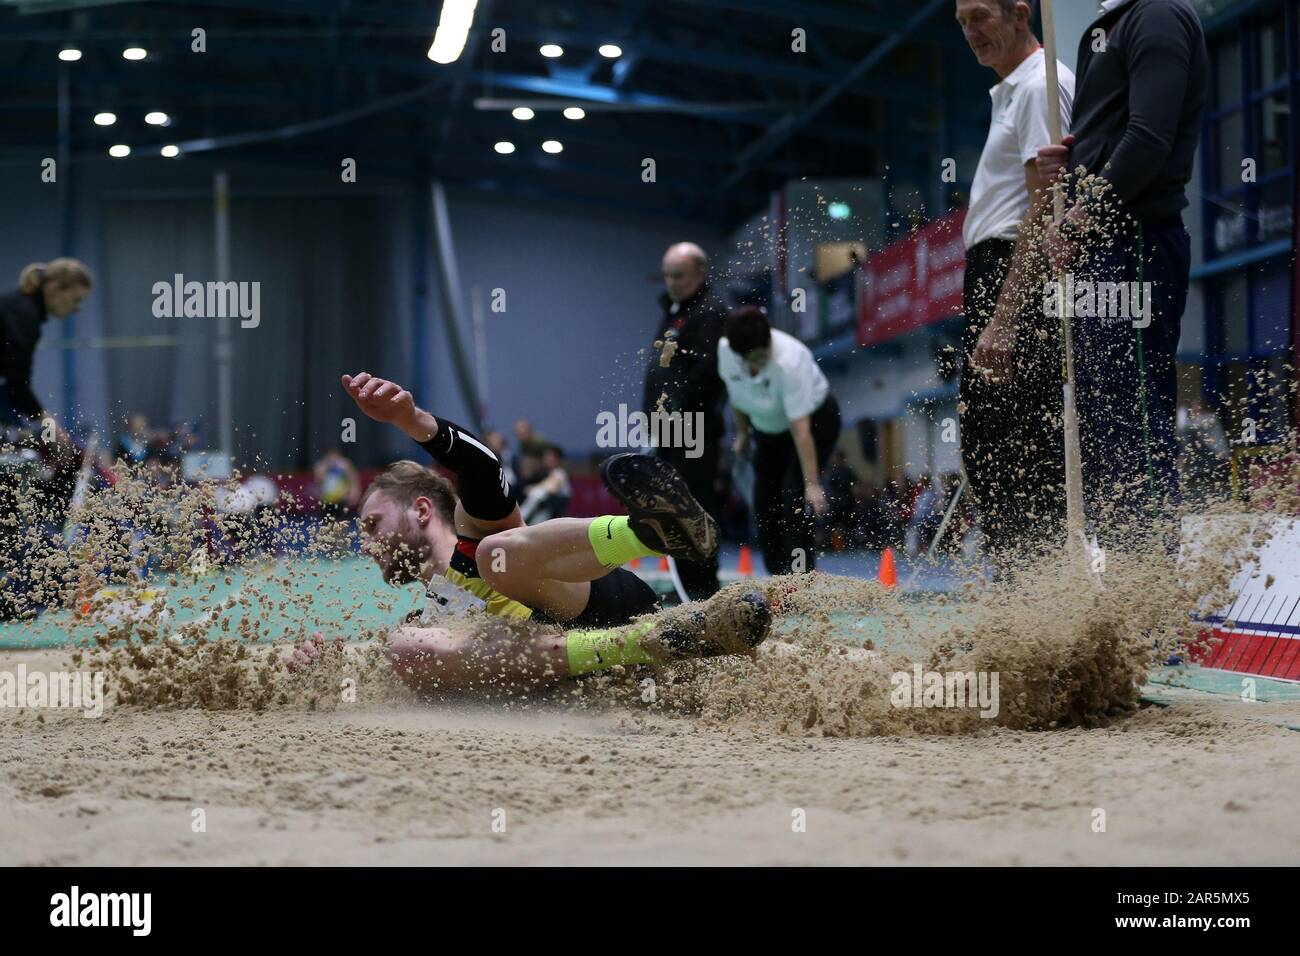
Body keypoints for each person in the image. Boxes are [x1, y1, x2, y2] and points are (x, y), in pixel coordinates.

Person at [304, 372, 771, 692]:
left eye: (372, 524)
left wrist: (413, 422)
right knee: (405, 646)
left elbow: (484, 465)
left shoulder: (472, 529)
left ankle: (649, 532)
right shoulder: (428, 620)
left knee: (496, 556)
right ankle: (670, 638)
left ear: (422, 510)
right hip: (604, 668)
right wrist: (327, 672)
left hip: (607, 605)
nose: (365, 543)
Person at [1036, 0, 1207, 541]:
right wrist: (1079, 155)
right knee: (1105, 419)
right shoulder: (1113, 24)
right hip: (1104, 243)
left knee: (1131, 415)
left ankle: (1149, 589)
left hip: (1131, 242)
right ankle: (1121, 585)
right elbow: (1120, 134)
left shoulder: (1155, 15)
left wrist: (1085, 212)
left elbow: (1150, 138)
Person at [955, 0, 1075, 559]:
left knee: (1018, 448)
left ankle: (1035, 601)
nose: (970, 31)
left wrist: (1003, 319)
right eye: (961, 21)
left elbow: (1043, 207)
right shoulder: (1012, 92)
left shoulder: (1037, 88)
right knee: (990, 447)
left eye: (980, 16)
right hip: (994, 273)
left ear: (1020, 14)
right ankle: (1018, 598)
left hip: (1013, 277)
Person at [0, 258, 92, 620]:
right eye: (76, 300)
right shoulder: (20, 313)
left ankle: (31, 571)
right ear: (55, 288)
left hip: (6, 401)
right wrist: (50, 425)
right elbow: (18, 386)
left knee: (56, 456)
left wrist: (47, 427)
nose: (76, 309)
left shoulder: (24, 313)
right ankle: (34, 570)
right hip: (6, 402)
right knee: (54, 457)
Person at [719, 306, 842, 575]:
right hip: (767, 428)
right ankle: (777, 577)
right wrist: (742, 434)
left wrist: (812, 484)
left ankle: (803, 579)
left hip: (815, 422)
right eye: (748, 360)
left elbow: (801, 431)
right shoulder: (726, 351)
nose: (755, 367)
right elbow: (736, 394)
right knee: (763, 501)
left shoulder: (790, 361)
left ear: (769, 342)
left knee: (793, 497)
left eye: (760, 358)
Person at [643, 242, 729, 600]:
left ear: (699, 273)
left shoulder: (710, 313)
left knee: (694, 508)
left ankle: (703, 590)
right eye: (666, 275)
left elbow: (706, 373)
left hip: (694, 431)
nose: (671, 282)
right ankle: (687, 587)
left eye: (678, 275)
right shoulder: (674, 311)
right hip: (669, 432)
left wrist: (674, 412)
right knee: (672, 511)